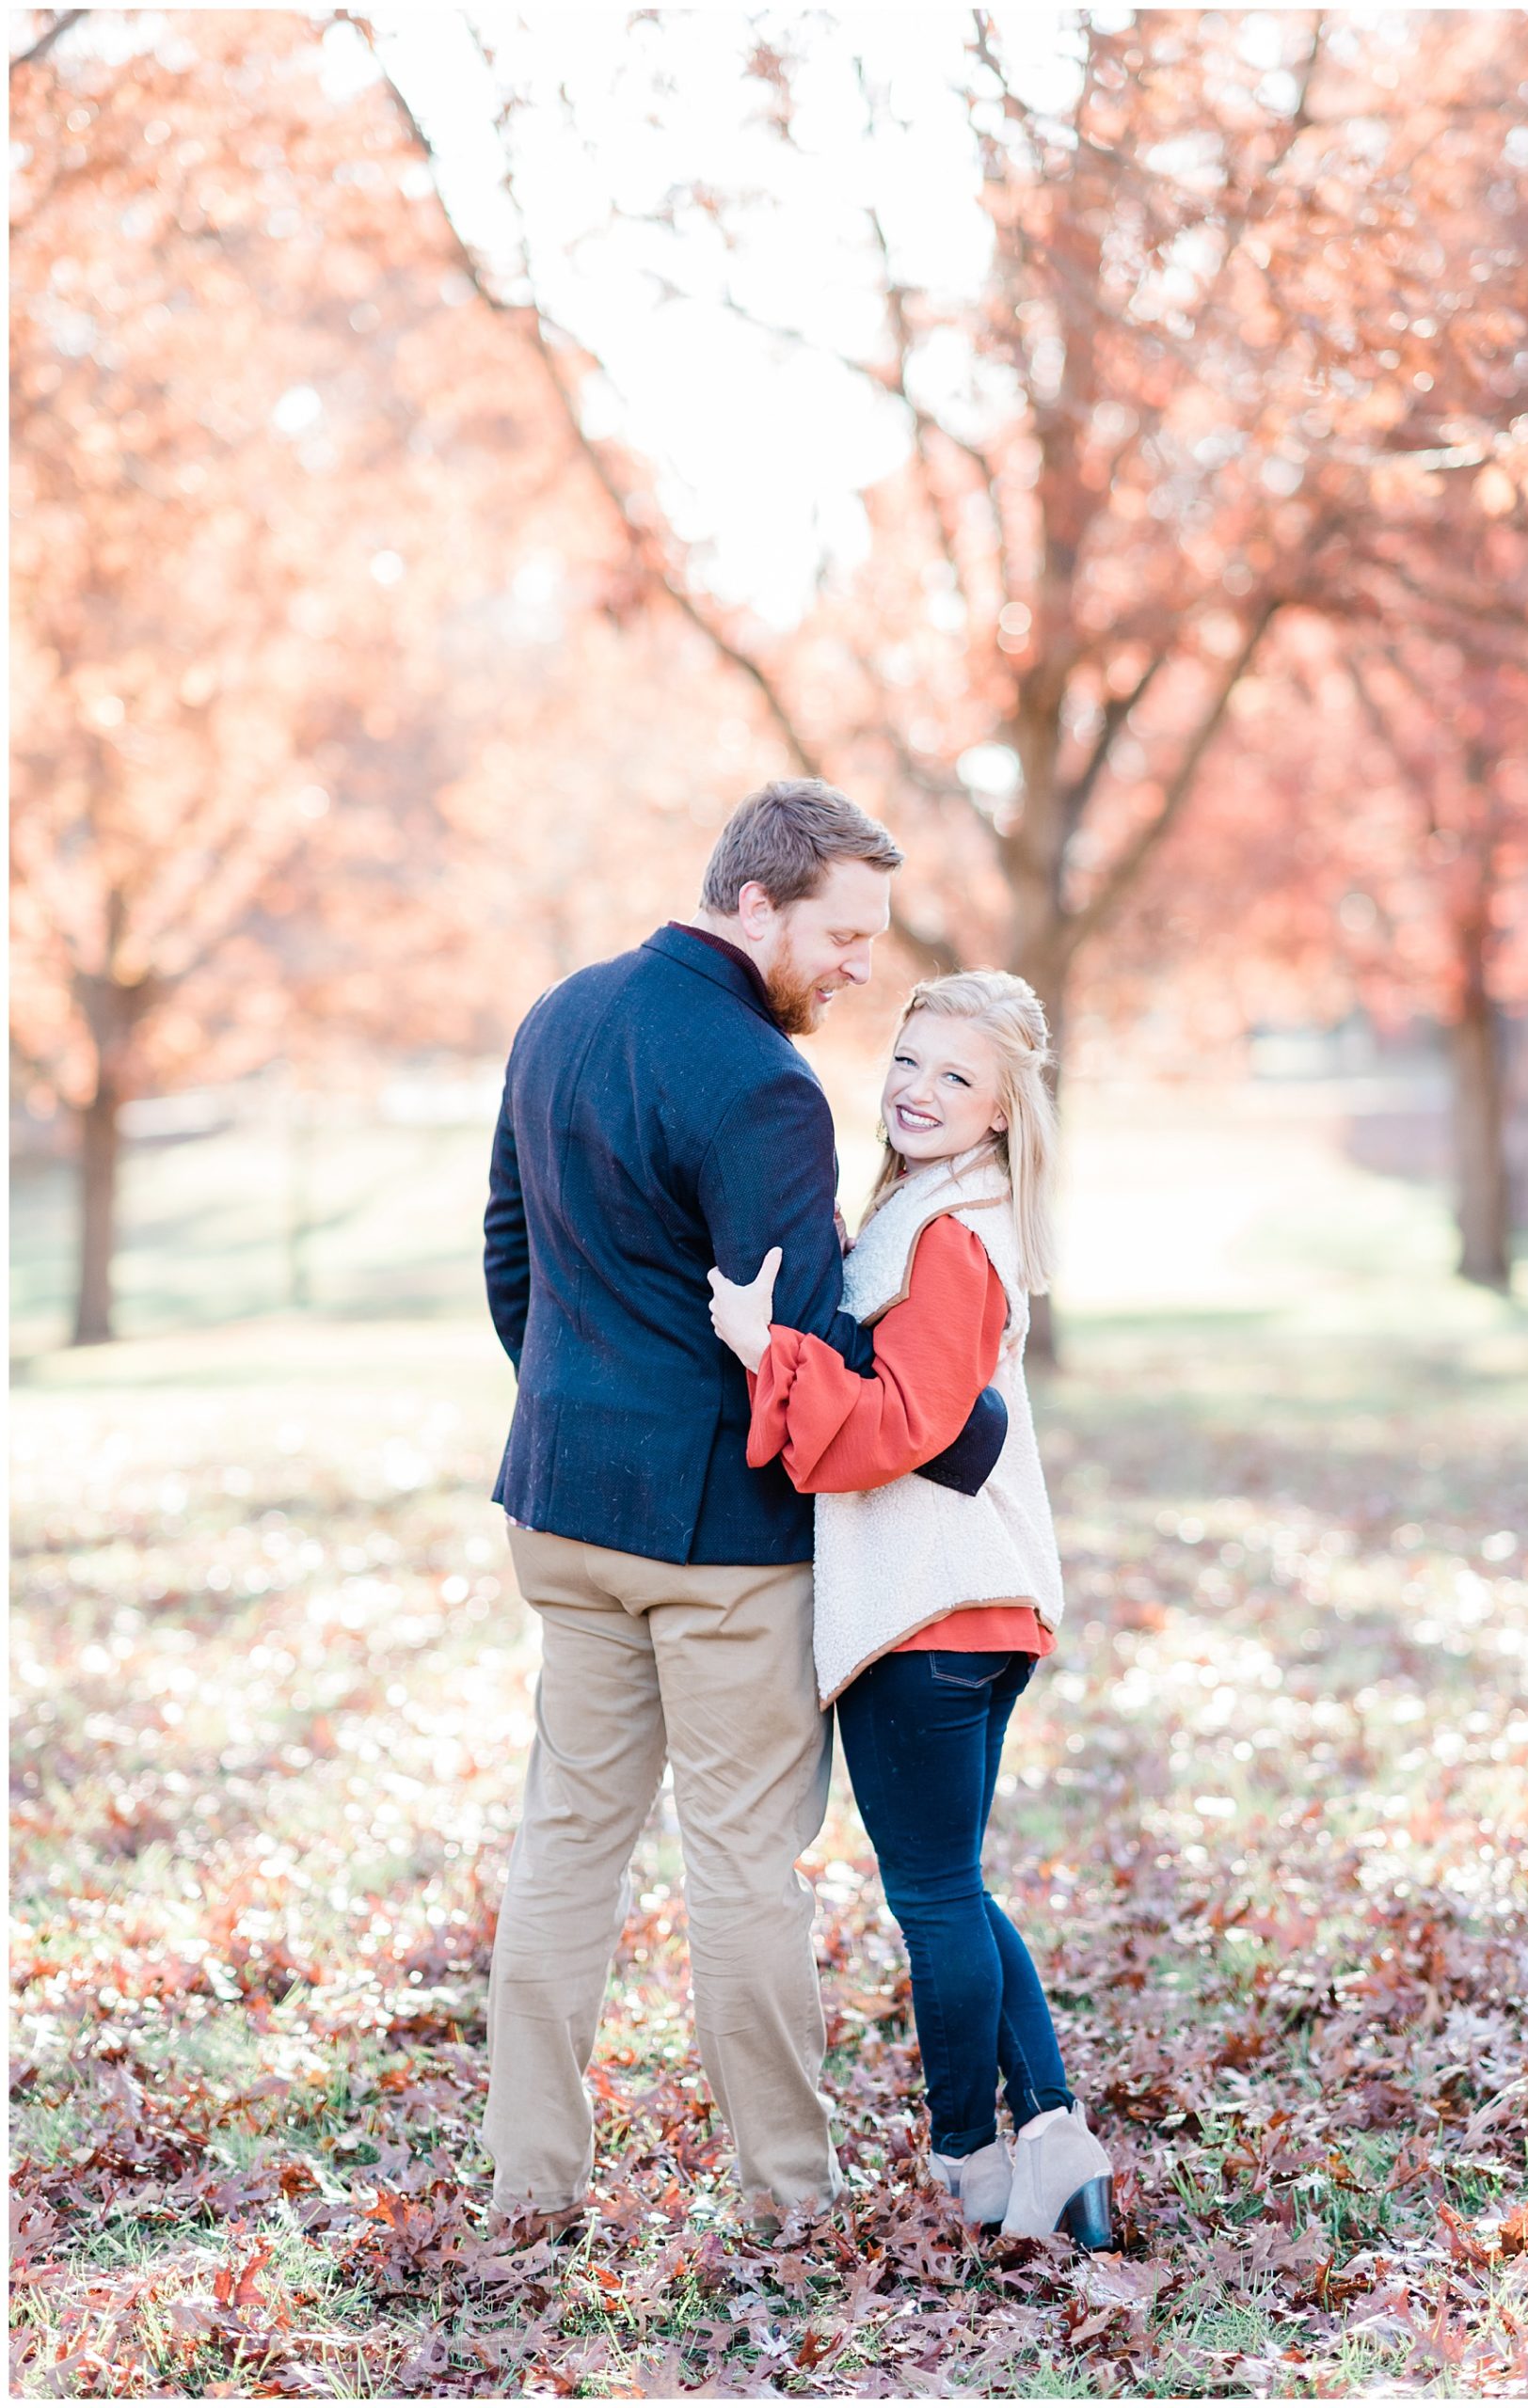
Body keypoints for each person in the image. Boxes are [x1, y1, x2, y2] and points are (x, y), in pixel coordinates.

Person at [480, 779, 1007, 2234]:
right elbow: (811, 1351)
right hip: (719, 1545)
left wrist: (586, 1413)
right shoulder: (764, 1086)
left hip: (564, 1516)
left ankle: (530, 2184)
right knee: (742, 1866)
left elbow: (509, 1259)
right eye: (841, 933)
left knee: (567, 1842)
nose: (858, 966)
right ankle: (786, 2197)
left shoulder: (558, 1017)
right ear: (755, 901)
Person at [707, 970, 1114, 2245]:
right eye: (908, 1062)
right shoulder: (924, 1209)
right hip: (967, 1611)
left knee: (933, 1899)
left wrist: (760, 1347)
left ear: (999, 1112)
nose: (919, 1092)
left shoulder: (950, 1233)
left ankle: (970, 2165)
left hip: (934, 1617)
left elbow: (903, 1425)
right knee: (959, 1889)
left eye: (956, 1078)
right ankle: (1054, 2145)